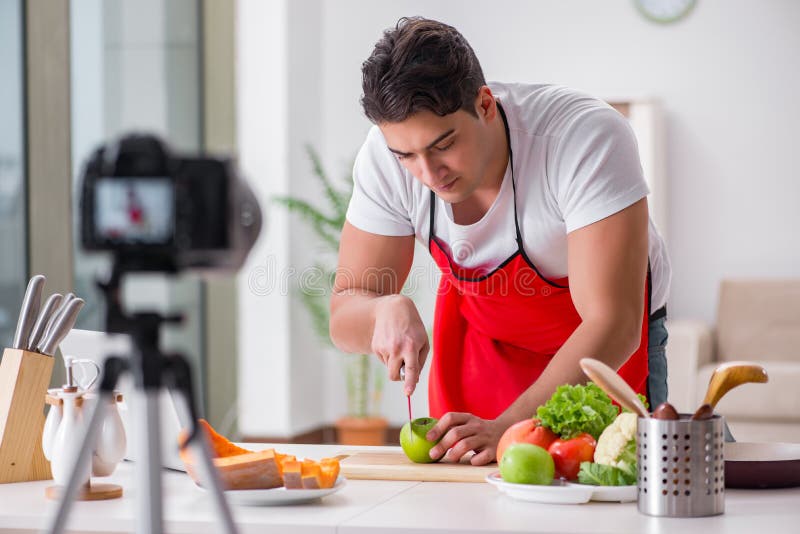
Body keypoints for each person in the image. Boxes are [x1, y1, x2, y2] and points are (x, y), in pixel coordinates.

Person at [329, 17, 671, 465]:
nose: (429, 175)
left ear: (486, 104)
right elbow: (344, 310)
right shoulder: (383, 158)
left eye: (444, 144)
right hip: (484, 345)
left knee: (613, 491)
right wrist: (381, 311)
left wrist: (511, 426)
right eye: (406, 156)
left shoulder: (583, 138)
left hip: (601, 351)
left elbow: (614, 323)